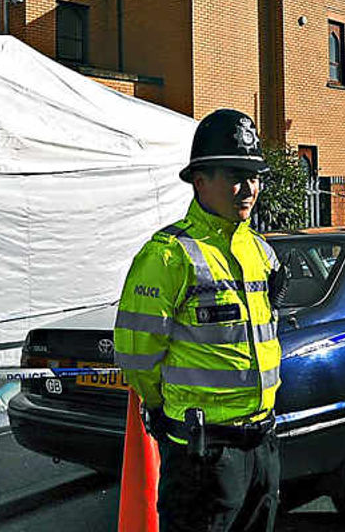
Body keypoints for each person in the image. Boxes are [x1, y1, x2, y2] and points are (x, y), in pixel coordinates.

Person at [113, 108, 285, 532]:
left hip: (261, 447)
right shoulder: (167, 256)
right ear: (200, 180)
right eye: (235, 175)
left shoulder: (260, 252)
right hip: (202, 456)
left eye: (254, 176)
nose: (248, 188)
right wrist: (163, 409)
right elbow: (136, 357)